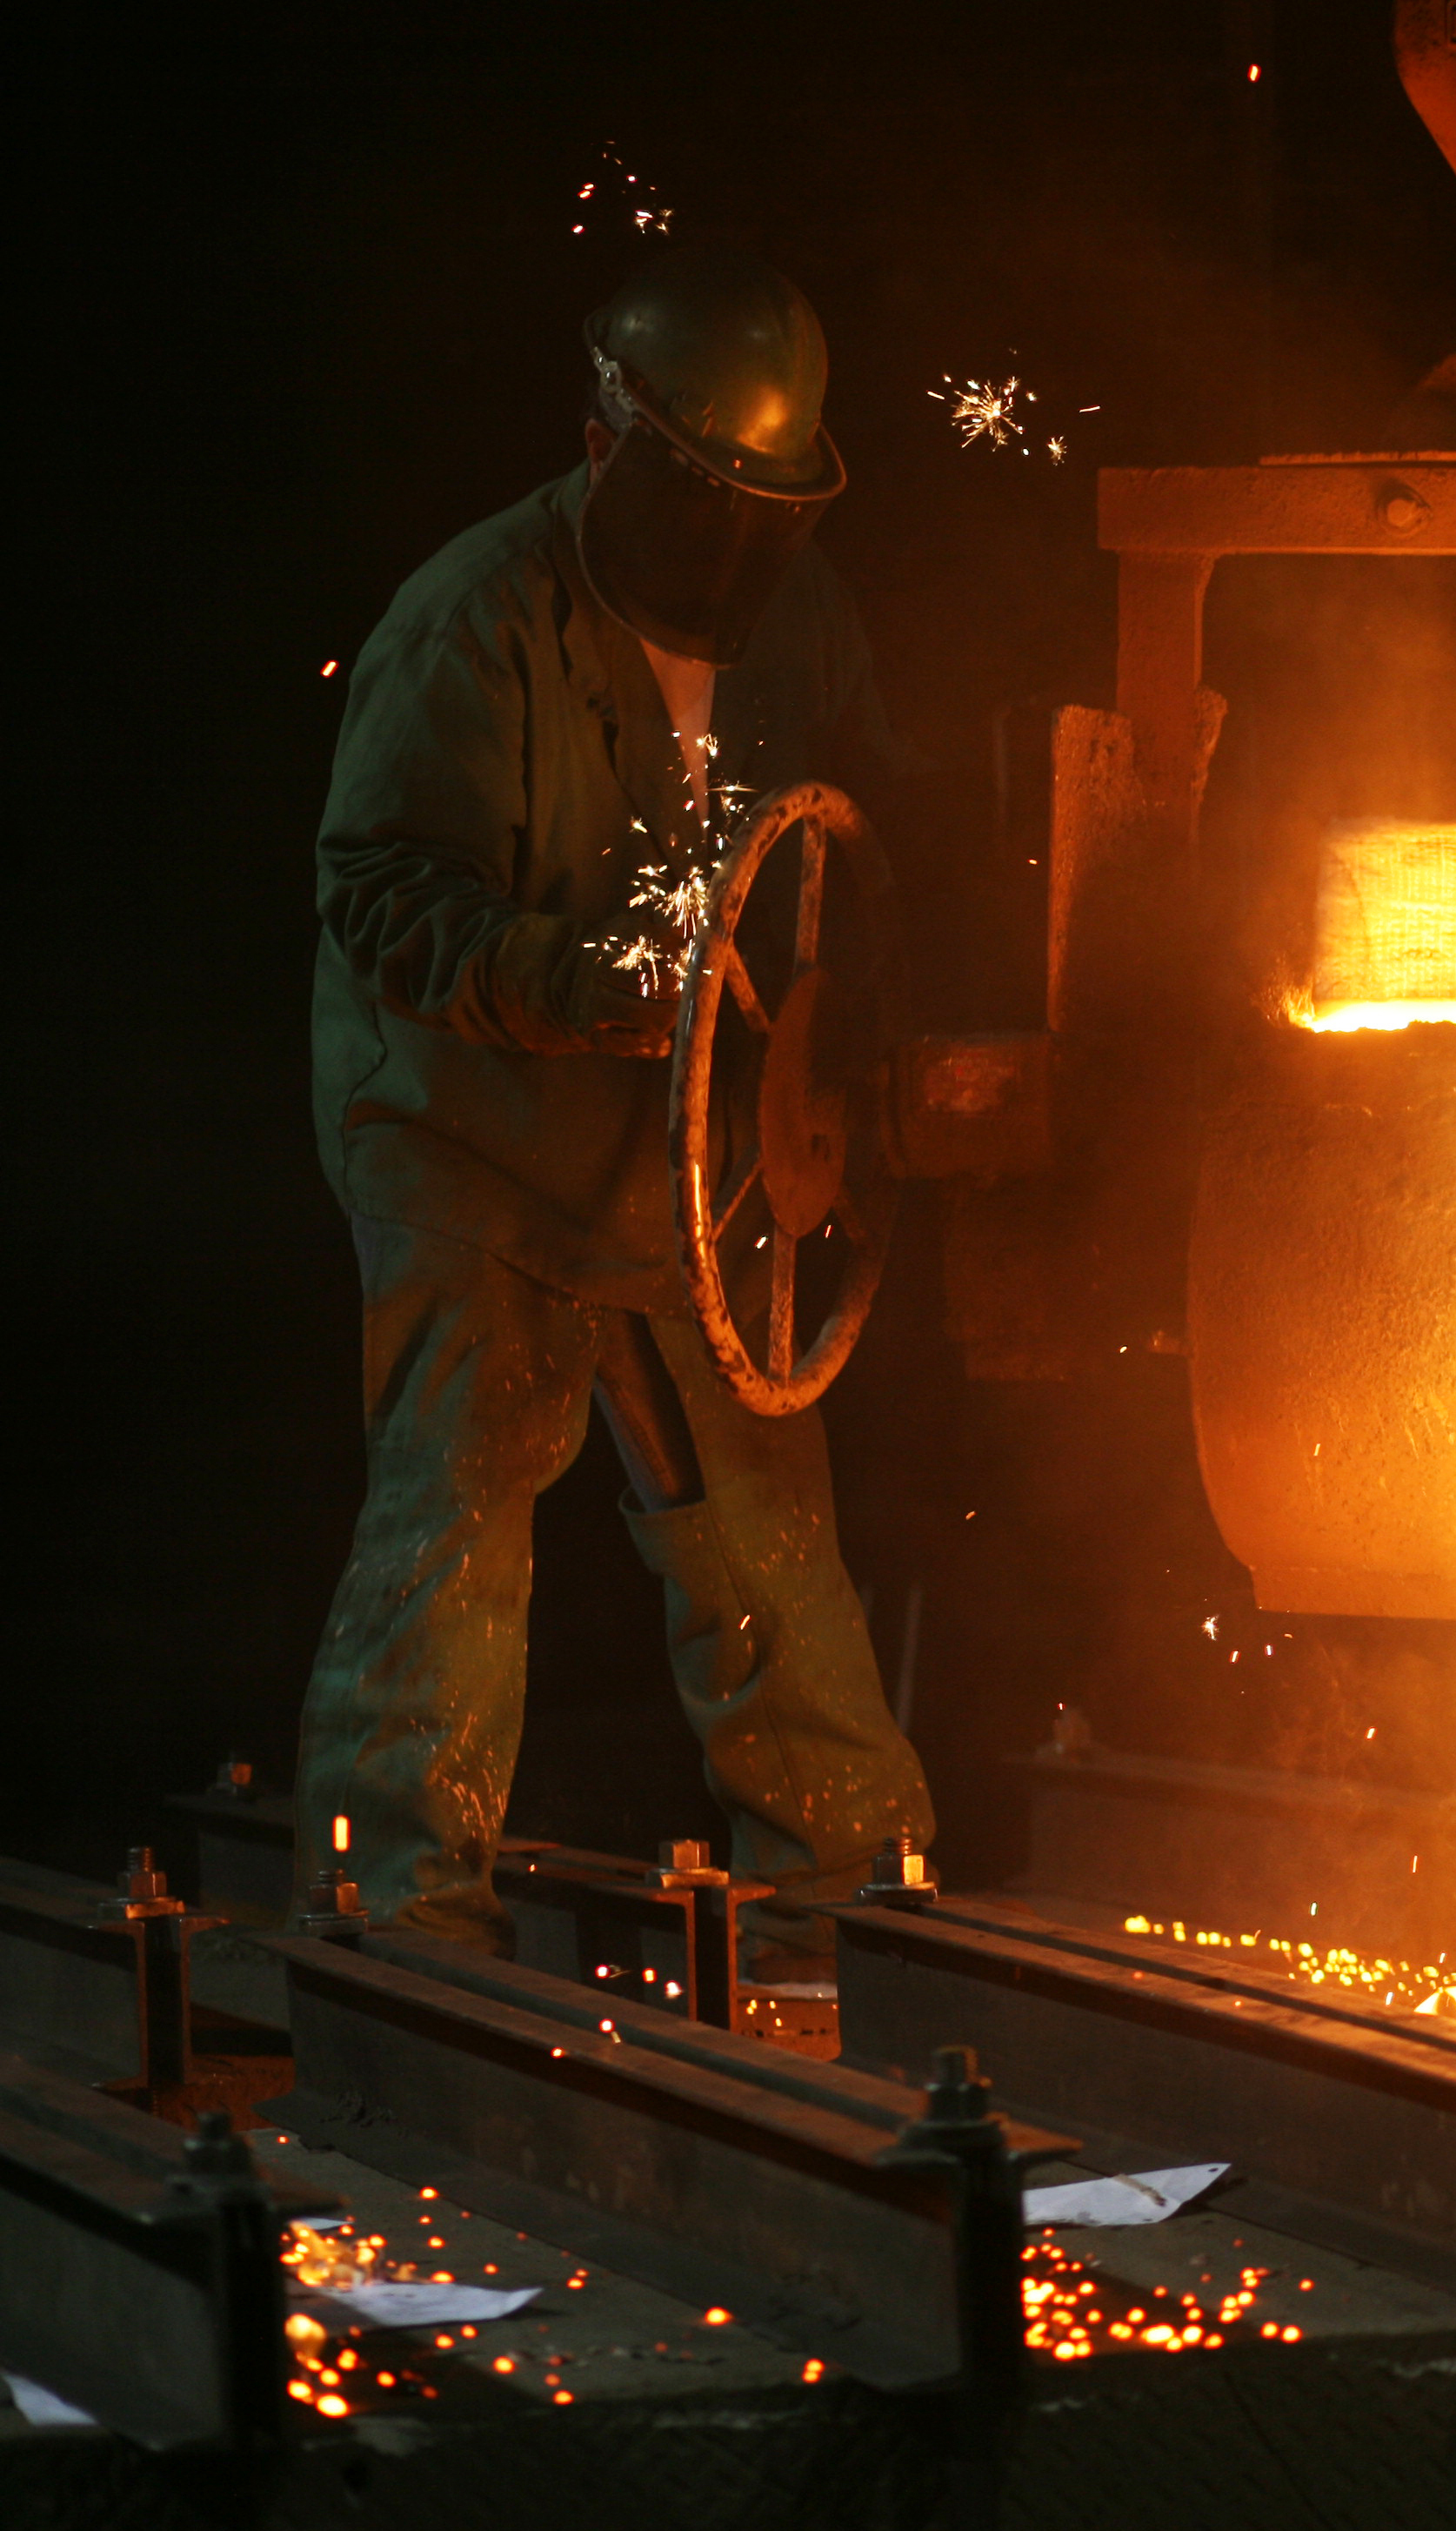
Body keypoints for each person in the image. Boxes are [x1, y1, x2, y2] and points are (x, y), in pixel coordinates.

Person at [297, 244, 930, 1970]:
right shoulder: (473, 622)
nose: (729, 545)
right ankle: (395, 1922)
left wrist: (854, 1041)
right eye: (703, 501)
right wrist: (588, 987)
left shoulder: (802, 620)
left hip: (685, 1165)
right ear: (608, 448)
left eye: (758, 509)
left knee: (761, 1518)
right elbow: (384, 890)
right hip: (468, 1134)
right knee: (461, 1505)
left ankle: (850, 1901)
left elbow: (859, 855)